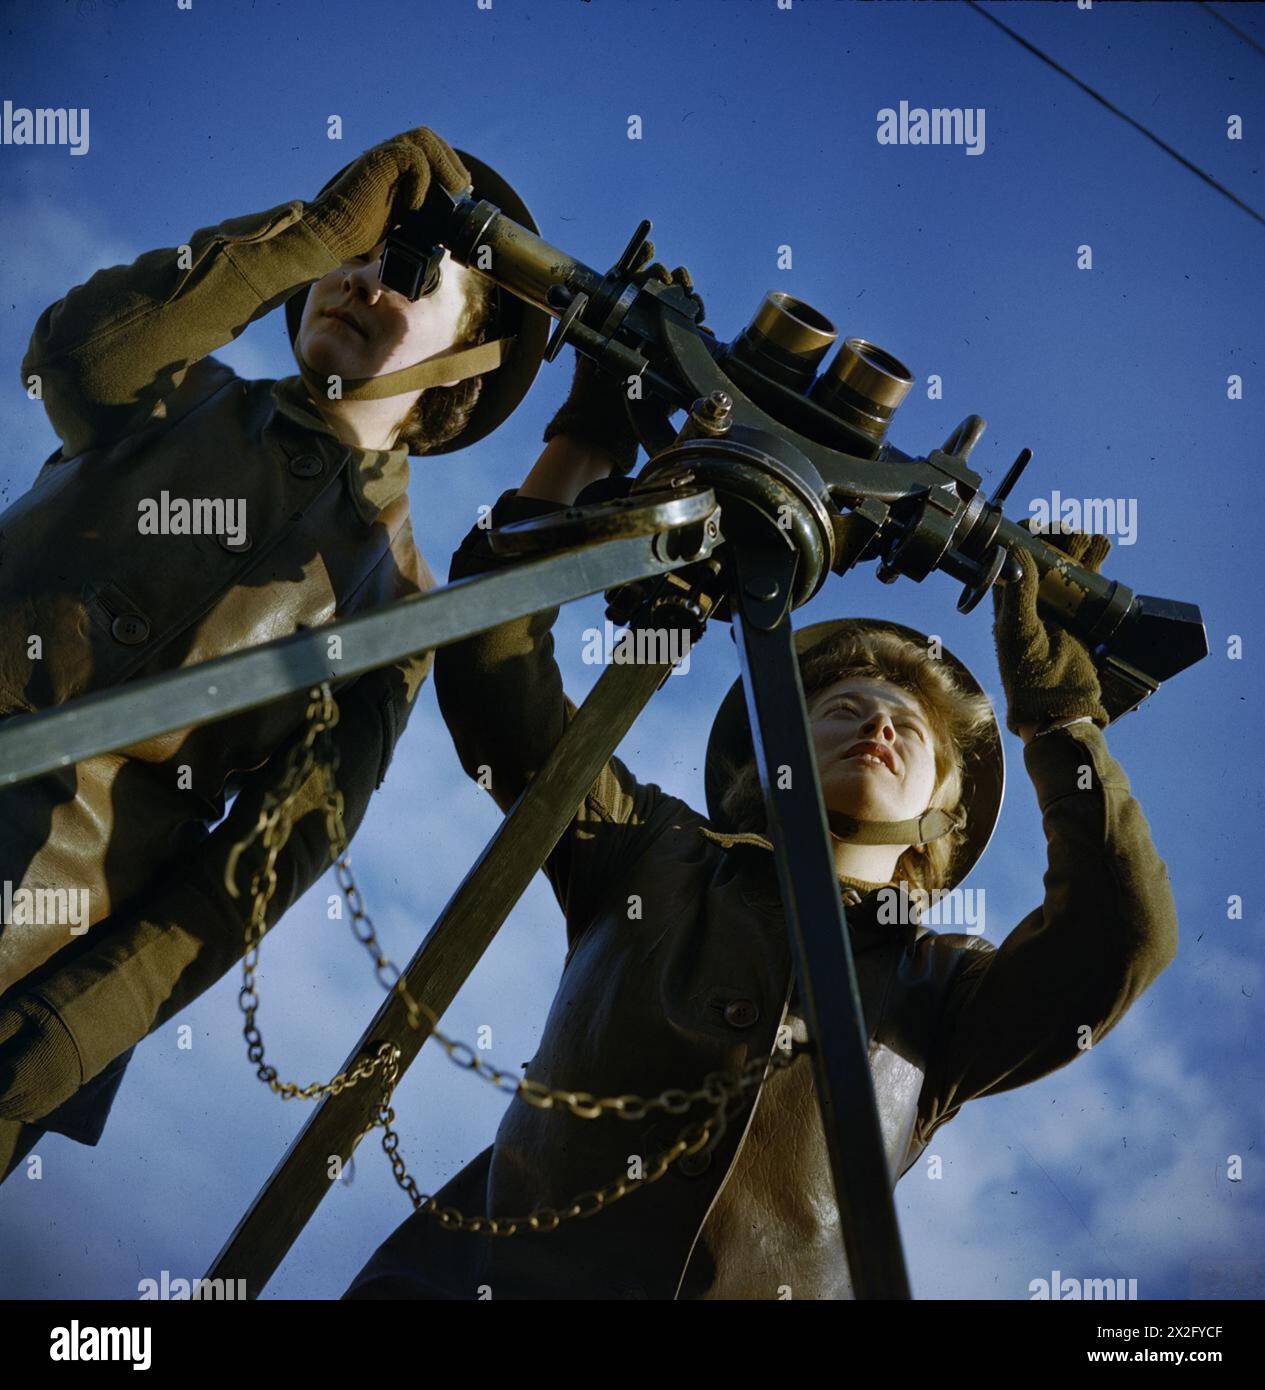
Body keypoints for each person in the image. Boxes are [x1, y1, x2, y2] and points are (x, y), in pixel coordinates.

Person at [344, 385, 1179, 1299]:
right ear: (766, 754)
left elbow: (1118, 939)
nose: (878, 727)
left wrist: (1063, 721)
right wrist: (586, 450)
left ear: (945, 811)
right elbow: (494, 671)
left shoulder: (943, 997)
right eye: (844, 708)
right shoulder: (649, 852)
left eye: (912, 731)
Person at [0, 126, 547, 1180]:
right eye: (351, 254)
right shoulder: (176, 389)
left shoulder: (393, 610)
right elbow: (73, 354)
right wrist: (316, 231)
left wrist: (73, 1032)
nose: (355, 279)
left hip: (29, 940)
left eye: (403, 268)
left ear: (464, 370)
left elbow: (253, 868)